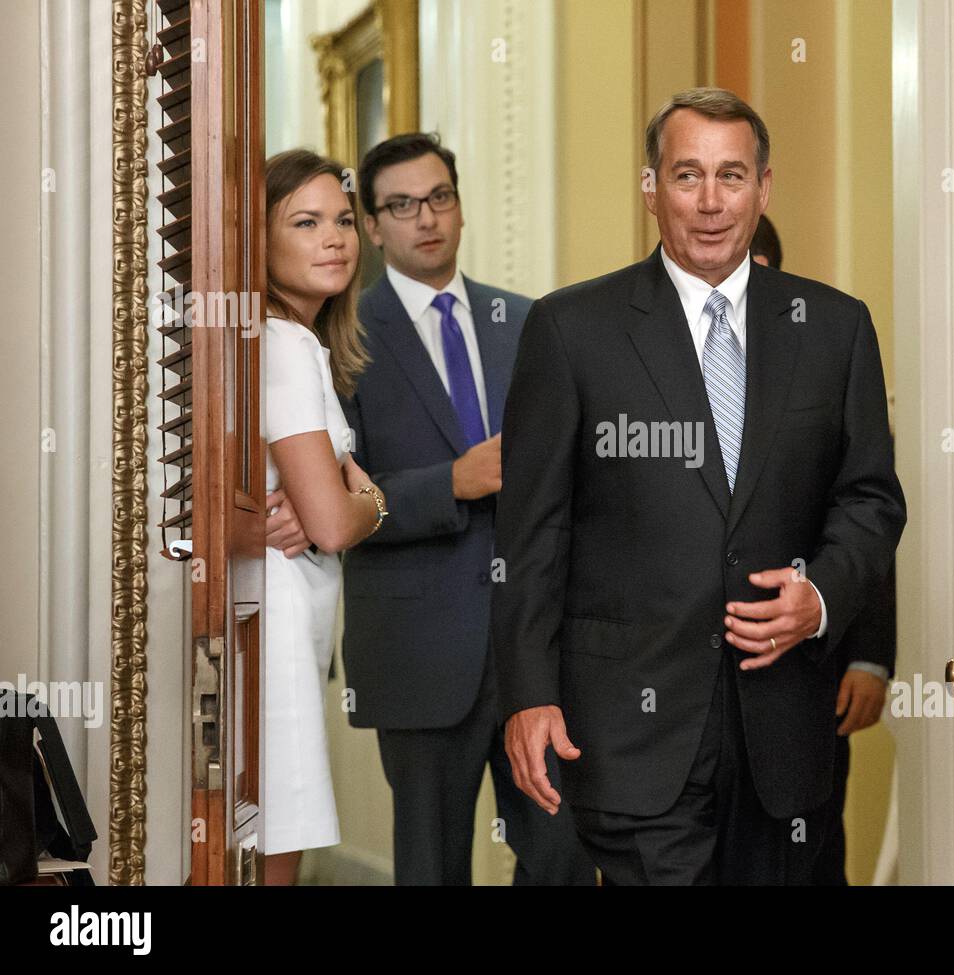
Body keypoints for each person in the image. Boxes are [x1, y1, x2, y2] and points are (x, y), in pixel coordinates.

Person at [491, 87, 906, 885]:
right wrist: (529, 692)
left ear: (764, 187)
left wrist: (820, 596)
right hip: (630, 732)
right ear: (651, 189)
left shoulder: (835, 327)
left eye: (732, 176)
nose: (711, 202)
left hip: (784, 730)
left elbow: (870, 499)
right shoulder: (571, 329)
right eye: (688, 176)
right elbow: (533, 532)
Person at [336, 133, 594, 885]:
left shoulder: (531, 321)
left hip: (535, 653)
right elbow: (337, 506)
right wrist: (451, 480)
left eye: (440, 197)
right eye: (403, 205)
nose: (427, 219)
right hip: (418, 653)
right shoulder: (345, 336)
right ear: (374, 224)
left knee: (562, 859)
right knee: (431, 867)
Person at [749, 214, 896, 885]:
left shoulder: (831, 351)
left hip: (810, 679)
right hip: (685, 699)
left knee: (811, 859)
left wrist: (870, 655)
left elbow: (867, 513)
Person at [261, 149, 390, 885]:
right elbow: (338, 521)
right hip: (274, 630)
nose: (335, 238)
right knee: (276, 852)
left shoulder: (298, 343)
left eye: (343, 220)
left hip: (291, 618)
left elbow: (319, 514)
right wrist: (366, 497)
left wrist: (336, 502)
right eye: (305, 223)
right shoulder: (281, 343)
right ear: (259, 240)